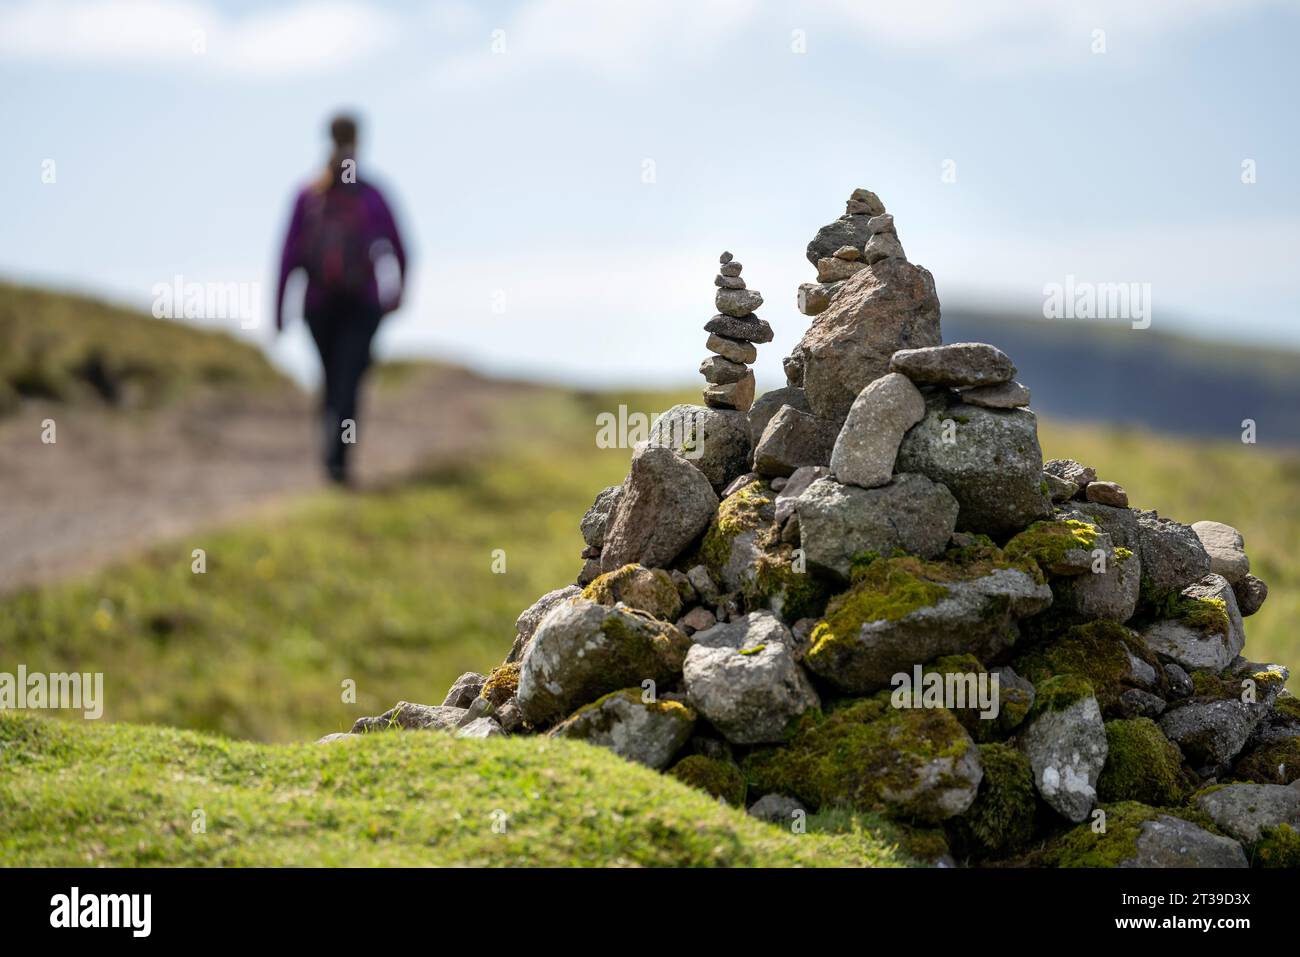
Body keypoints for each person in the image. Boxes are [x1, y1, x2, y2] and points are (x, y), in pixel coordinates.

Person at [275, 113, 408, 484]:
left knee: (334, 380)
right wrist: (397, 292)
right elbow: (399, 246)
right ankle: (337, 462)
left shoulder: (309, 195)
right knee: (347, 381)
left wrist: (280, 308)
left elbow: (288, 255)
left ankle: (332, 459)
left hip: (317, 306)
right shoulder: (371, 195)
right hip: (361, 304)